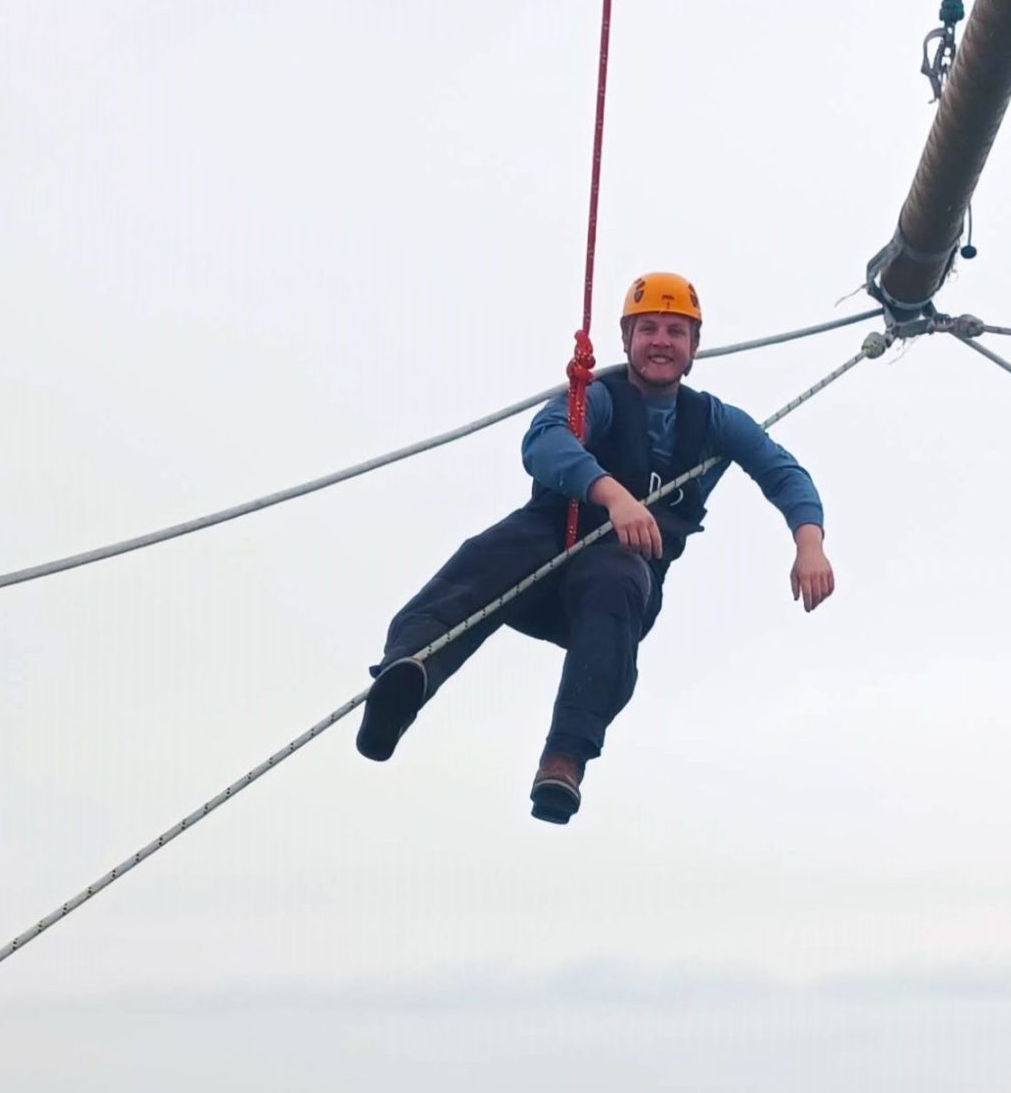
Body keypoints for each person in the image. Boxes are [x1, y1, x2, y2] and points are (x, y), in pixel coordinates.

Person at [357, 272, 834, 822]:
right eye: (648, 328)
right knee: (488, 555)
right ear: (626, 339)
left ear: (694, 347)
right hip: (549, 547)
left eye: (676, 331)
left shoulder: (712, 423)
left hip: (614, 589)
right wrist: (613, 496)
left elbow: (782, 472)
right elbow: (544, 441)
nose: (661, 341)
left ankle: (564, 759)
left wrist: (809, 544)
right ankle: (406, 677)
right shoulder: (600, 399)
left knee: (619, 578)